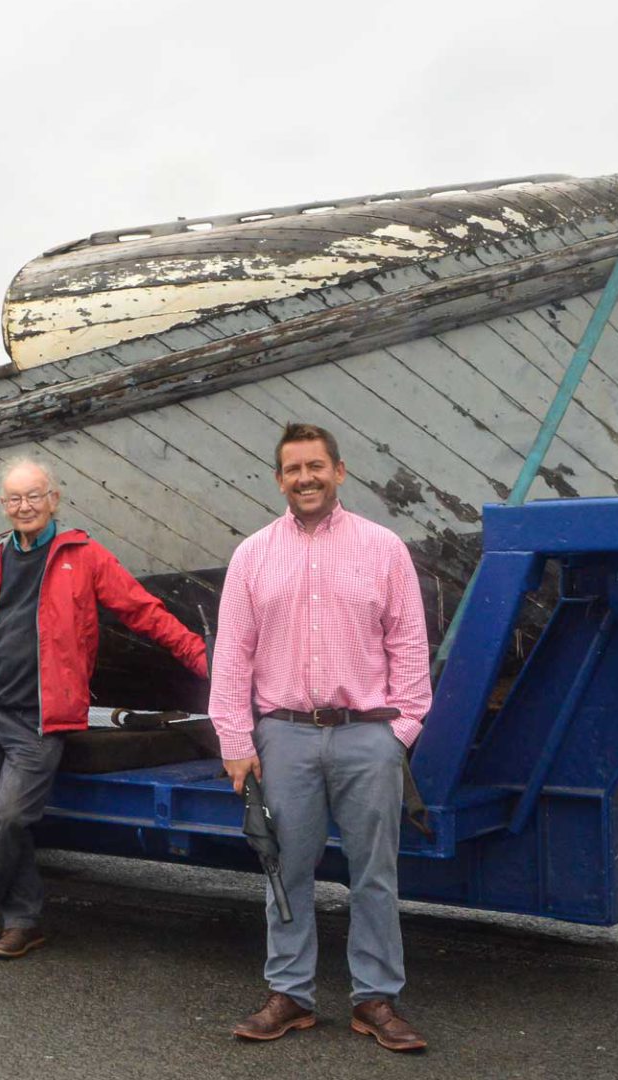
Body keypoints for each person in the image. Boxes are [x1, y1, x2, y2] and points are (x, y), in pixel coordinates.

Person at [208, 422, 433, 1052]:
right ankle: (290, 994)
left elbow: (409, 643)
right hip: (284, 736)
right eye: (292, 469)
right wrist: (235, 738)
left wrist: (402, 731)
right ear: (279, 479)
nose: (305, 478)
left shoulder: (383, 548)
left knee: (375, 874)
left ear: (339, 471)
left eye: (316, 466)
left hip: (368, 735)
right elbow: (234, 655)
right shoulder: (253, 554)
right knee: (286, 868)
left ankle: (376, 999)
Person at [0, 457, 209, 958]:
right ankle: (23, 923)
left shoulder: (84, 556)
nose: (24, 507)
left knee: (7, 816)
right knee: (0, 820)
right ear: (4, 506)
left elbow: (142, 610)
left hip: (40, 716)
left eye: (34, 496)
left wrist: (201, 657)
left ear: (54, 499)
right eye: (14, 499)